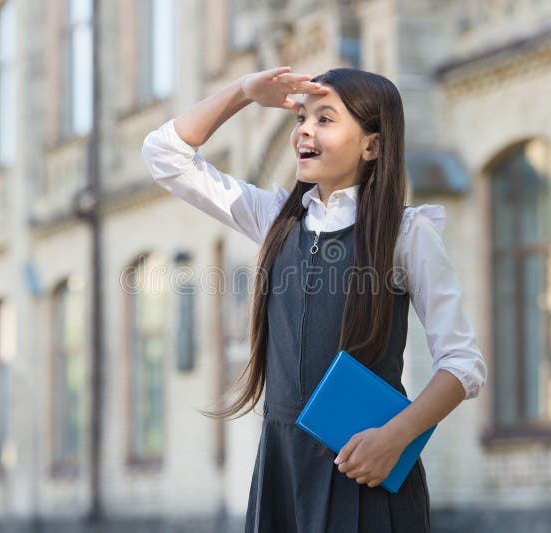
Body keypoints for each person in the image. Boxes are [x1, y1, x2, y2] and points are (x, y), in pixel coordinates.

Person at [142, 66, 488, 533]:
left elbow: (462, 364)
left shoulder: (407, 234)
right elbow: (165, 155)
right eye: (302, 117)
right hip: (281, 475)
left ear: (372, 145)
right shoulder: (275, 220)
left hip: (365, 471)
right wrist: (244, 92)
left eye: (325, 119)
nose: (304, 129)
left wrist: (396, 438)